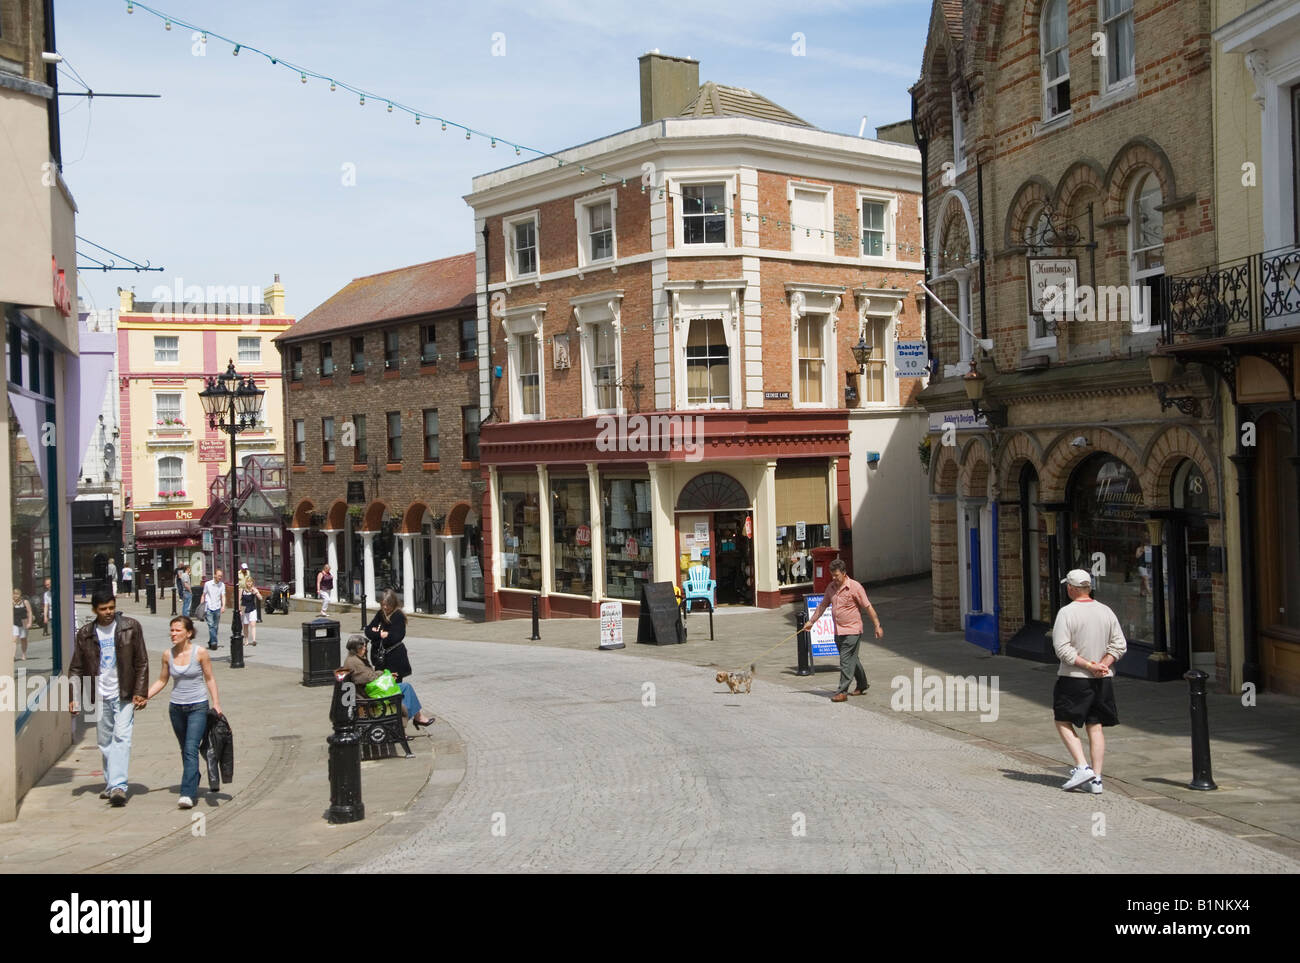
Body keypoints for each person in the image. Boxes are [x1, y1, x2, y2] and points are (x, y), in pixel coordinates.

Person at [68, 587, 150, 807]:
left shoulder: (131, 627)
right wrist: (74, 697)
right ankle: (111, 783)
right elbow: (76, 668)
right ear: (95, 610)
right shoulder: (85, 633)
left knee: (122, 738)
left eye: (112, 608)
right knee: (105, 742)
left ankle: (119, 786)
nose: (108, 612)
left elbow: (141, 661)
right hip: (99, 696)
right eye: (103, 609)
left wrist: (140, 692)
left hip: (124, 694)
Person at [1052, 569, 1127, 795]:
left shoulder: (1066, 613)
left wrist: (1089, 666)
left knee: (1062, 720)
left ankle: (1083, 766)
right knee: (1095, 726)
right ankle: (1097, 778)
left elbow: (1062, 649)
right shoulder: (1106, 611)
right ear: (1089, 587)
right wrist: (1103, 664)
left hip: (1074, 679)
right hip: (1102, 680)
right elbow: (1119, 644)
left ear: (1071, 589)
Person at [145, 616, 222, 809]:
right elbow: (162, 680)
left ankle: (187, 793)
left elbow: (209, 678)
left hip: (198, 706)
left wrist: (216, 704)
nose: (173, 634)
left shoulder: (200, 653)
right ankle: (193, 776)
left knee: (190, 747)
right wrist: (145, 696)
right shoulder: (167, 655)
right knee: (185, 749)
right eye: (171, 630)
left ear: (188, 633)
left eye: (178, 630)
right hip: (176, 708)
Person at [808, 558, 883, 703]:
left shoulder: (855, 587)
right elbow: (822, 606)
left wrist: (877, 625)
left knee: (845, 660)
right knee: (852, 660)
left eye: (836, 575)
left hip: (853, 630)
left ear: (844, 573)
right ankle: (862, 684)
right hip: (838, 630)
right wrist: (811, 622)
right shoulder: (831, 587)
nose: (834, 578)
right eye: (832, 575)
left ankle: (842, 691)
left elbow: (868, 607)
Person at [342, 635, 434, 728]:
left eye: (365, 646)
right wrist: (386, 676)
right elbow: (370, 678)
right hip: (370, 697)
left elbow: (370, 676)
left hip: (370, 691)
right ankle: (402, 725)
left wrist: (388, 676)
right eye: (363, 647)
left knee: (406, 687)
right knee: (404, 690)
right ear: (356, 648)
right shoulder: (354, 662)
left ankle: (417, 718)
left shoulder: (355, 659)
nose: (365, 649)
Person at [364, 589, 412, 681]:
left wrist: (378, 634)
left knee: (393, 688)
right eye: (383, 605)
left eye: (387, 605)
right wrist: (380, 634)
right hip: (380, 658)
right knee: (380, 684)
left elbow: (395, 637)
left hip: (394, 658)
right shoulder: (380, 614)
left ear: (393, 604)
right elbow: (368, 631)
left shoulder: (398, 615)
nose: (385, 607)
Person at [202, 569, 226, 651]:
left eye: (221, 576)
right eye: (219, 576)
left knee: (215, 627)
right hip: (209, 607)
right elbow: (204, 595)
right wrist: (201, 606)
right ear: (214, 575)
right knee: (211, 626)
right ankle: (214, 643)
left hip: (217, 607)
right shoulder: (207, 584)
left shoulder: (222, 585)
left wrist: (223, 606)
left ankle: (210, 641)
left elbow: (223, 596)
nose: (220, 577)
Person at [238, 564, 259, 647]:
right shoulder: (238, 574)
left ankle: (254, 640)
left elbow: (260, 597)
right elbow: (239, 600)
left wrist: (256, 593)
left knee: (253, 624)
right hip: (243, 605)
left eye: (246, 568)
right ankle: (246, 639)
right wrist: (239, 609)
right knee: (245, 624)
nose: (245, 570)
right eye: (244, 568)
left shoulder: (248, 573)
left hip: (252, 607)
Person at [12, 589, 32, 661]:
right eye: (14, 594)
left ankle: (24, 654)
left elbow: (29, 612)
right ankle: (13, 656)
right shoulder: (11, 602)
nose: (15, 596)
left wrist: (30, 622)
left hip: (24, 622)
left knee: (23, 639)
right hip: (14, 623)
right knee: (14, 639)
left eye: (17, 594)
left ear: (20, 595)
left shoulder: (25, 602)